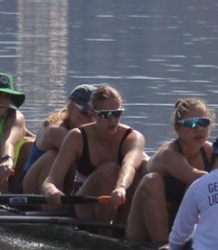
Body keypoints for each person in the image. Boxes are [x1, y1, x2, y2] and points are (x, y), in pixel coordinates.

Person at [38, 84, 147, 225]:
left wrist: (120, 187)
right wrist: (50, 189)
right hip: (84, 205)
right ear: (94, 114)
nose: (112, 120)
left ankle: (129, 231)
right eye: (105, 114)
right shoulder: (77, 137)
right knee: (110, 170)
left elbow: (129, 166)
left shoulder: (132, 137)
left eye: (116, 113)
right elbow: (52, 179)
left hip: (119, 198)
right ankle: (107, 235)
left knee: (144, 166)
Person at [125, 98, 216, 245]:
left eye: (204, 122)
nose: (199, 128)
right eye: (192, 123)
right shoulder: (168, 154)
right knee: (153, 180)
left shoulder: (212, 152)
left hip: (181, 225)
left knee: (197, 188)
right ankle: (163, 246)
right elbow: (196, 176)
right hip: (144, 227)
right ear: (177, 128)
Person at [19, 83, 97, 195]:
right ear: (71, 108)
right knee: (54, 156)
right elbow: (89, 156)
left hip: (63, 189)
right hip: (28, 191)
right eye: (88, 114)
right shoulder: (56, 131)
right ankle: (52, 209)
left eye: (97, 115)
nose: (93, 120)